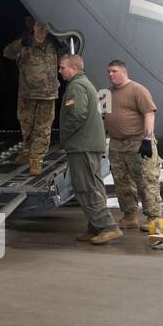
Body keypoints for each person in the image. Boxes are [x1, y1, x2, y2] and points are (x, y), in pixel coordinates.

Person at [58, 54, 121, 244]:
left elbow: (77, 115)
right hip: (88, 144)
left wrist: (64, 134)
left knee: (86, 187)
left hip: (82, 145)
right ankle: (95, 226)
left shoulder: (76, 86)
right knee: (93, 184)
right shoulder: (84, 83)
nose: (59, 71)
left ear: (73, 69)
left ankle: (108, 227)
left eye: (62, 67)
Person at [103, 60, 161, 232]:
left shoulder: (137, 90)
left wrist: (147, 139)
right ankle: (129, 217)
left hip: (137, 142)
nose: (110, 74)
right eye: (109, 71)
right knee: (122, 182)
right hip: (116, 143)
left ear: (124, 72)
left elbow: (149, 114)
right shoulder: (105, 93)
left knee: (146, 180)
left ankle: (152, 219)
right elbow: (101, 118)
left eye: (114, 71)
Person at [2, 19, 62, 175]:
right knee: (26, 125)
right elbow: (7, 52)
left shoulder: (54, 44)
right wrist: (21, 43)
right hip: (27, 93)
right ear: (33, 27)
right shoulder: (25, 43)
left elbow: (68, 59)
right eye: (38, 26)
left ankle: (37, 160)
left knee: (43, 128)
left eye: (44, 28)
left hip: (47, 94)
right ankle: (27, 150)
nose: (42, 30)